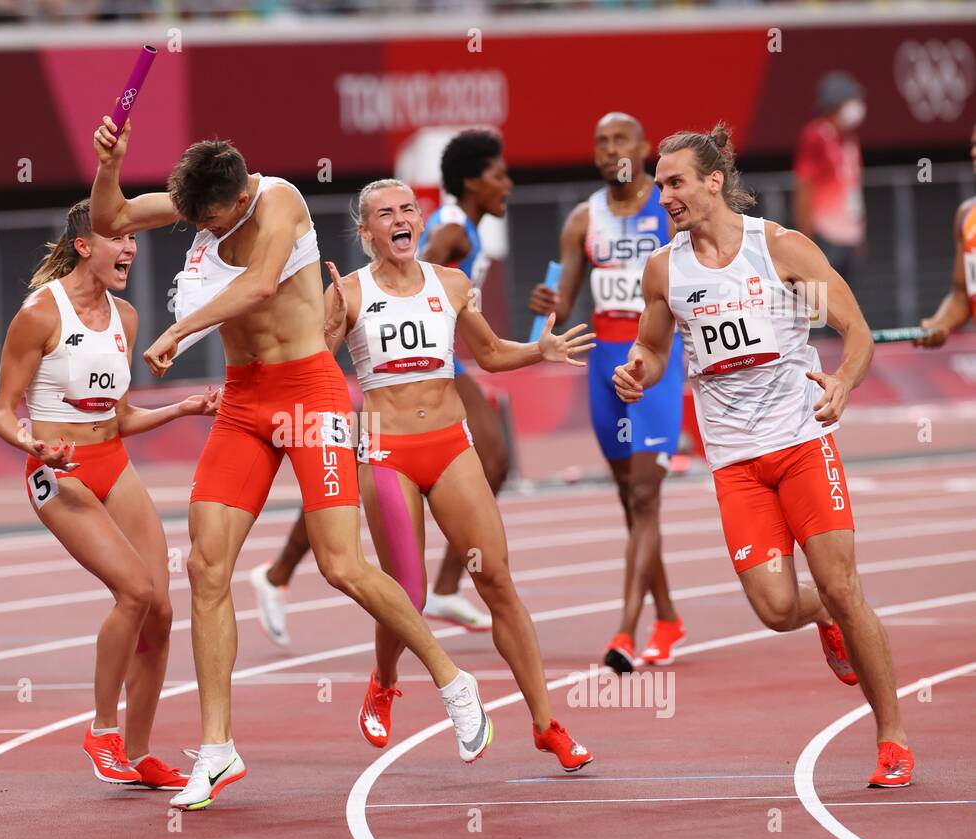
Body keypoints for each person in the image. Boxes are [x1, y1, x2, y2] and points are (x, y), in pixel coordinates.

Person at [90, 117, 493, 811]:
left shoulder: (278, 201)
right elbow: (112, 217)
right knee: (205, 566)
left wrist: (179, 330)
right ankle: (217, 751)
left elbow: (257, 288)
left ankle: (453, 681)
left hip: (309, 394)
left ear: (240, 196)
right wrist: (110, 164)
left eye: (210, 223)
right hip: (246, 400)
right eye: (195, 223)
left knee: (341, 565)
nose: (202, 234)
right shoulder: (203, 204)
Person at [614, 124, 914, 788]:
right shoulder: (667, 269)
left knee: (842, 583)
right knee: (777, 609)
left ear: (713, 182)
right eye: (659, 185)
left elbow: (854, 330)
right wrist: (638, 369)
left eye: (675, 183)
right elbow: (656, 348)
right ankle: (828, 621)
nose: (663, 196)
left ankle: (891, 735)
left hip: (801, 440)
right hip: (736, 461)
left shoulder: (777, 250)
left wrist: (843, 381)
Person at [333, 178, 596, 769]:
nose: (400, 219)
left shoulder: (451, 284)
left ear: (418, 223)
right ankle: (384, 679)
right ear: (367, 232)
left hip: (450, 444)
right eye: (385, 214)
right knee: (410, 591)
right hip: (385, 450)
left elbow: (491, 353)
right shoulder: (347, 293)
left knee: (496, 579)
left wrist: (539, 351)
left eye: (408, 210)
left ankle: (545, 722)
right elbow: (317, 369)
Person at [249, 129, 515, 642]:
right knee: (373, 472)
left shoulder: (465, 225)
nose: (508, 186)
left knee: (485, 460)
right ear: (473, 182)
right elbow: (408, 279)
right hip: (411, 360)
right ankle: (284, 573)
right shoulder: (454, 233)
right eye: (500, 176)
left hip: (433, 362)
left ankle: (433, 584)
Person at [0, 199, 219, 790]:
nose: (131, 248)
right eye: (119, 236)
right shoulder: (40, 313)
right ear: (84, 246)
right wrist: (34, 446)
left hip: (111, 463)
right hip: (57, 474)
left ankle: (140, 753)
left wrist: (181, 409)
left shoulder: (127, 316)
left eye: (135, 237)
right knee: (135, 590)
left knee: (163, 610)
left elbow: (117, 418)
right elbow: (0, 414)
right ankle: (101, 729)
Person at [528, 112, 686, 673]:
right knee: (630, 498)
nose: (611, 148)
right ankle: (668, 617)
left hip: (655, 362)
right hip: (602, 367)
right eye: (601, 141)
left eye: (621, 138)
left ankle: (625, 631)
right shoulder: (581, 220)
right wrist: (545, 307)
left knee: (645, 495)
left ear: (644, 148)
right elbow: (563, 305)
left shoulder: (671, 212)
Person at [792, 72, 867, 287]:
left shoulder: (850, 139)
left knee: (850, 297)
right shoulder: (815, 135)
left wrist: (859, 231)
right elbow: (803, 183)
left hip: (850, 235)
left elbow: (854, 188)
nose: (857, 106)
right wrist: (805, 237)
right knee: (822, 300)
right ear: (835, 104)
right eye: (850, 100)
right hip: (825, 234)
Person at [916, 122, 976, 349]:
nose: (974, 152)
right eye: (973, 144)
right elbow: (962, 296)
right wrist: (940, 323)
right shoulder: (966, 216)